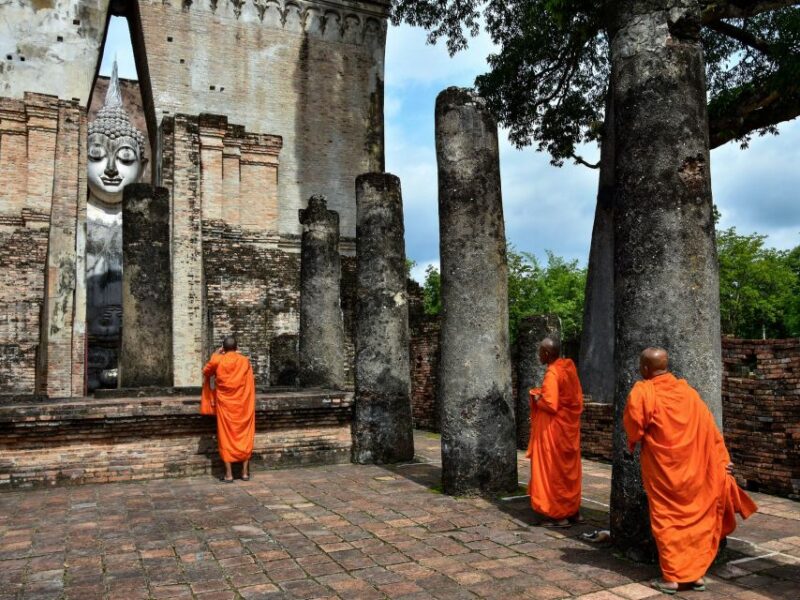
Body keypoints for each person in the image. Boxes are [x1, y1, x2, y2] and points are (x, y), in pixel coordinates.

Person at [624, 348, 758, 594]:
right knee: (696, 520)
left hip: (664, 473)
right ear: (666, 366)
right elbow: (711, 432)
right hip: (696, 471)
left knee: (668, 521)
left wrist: (633, 442)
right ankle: (695, 575)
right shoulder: (688, 394)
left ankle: (673, 578)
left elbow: (634, 429)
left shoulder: (643, 391)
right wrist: (721, 460)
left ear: (644, 368)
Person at [527, 337, 584, 527]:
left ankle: (558, 514)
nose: (538, 355)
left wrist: (536, 398)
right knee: (568, 470)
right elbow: (574, 398)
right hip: (568, 428)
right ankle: (573, 510)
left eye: (540, 352)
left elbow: (551, 404)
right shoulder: (569, 367)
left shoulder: (552, 372)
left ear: (546, 354)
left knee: (553, 471)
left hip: (553, 430)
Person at [202, 336, 256, 483]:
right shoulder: (244, 361)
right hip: (243, 406)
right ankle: (244, 473)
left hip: (225, 406)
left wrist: (216, 353)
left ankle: (229, 475)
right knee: (245, 436)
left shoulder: (218, 360)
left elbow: (206, 372)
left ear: (223, 348)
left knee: (225, 437)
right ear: (236, 348)